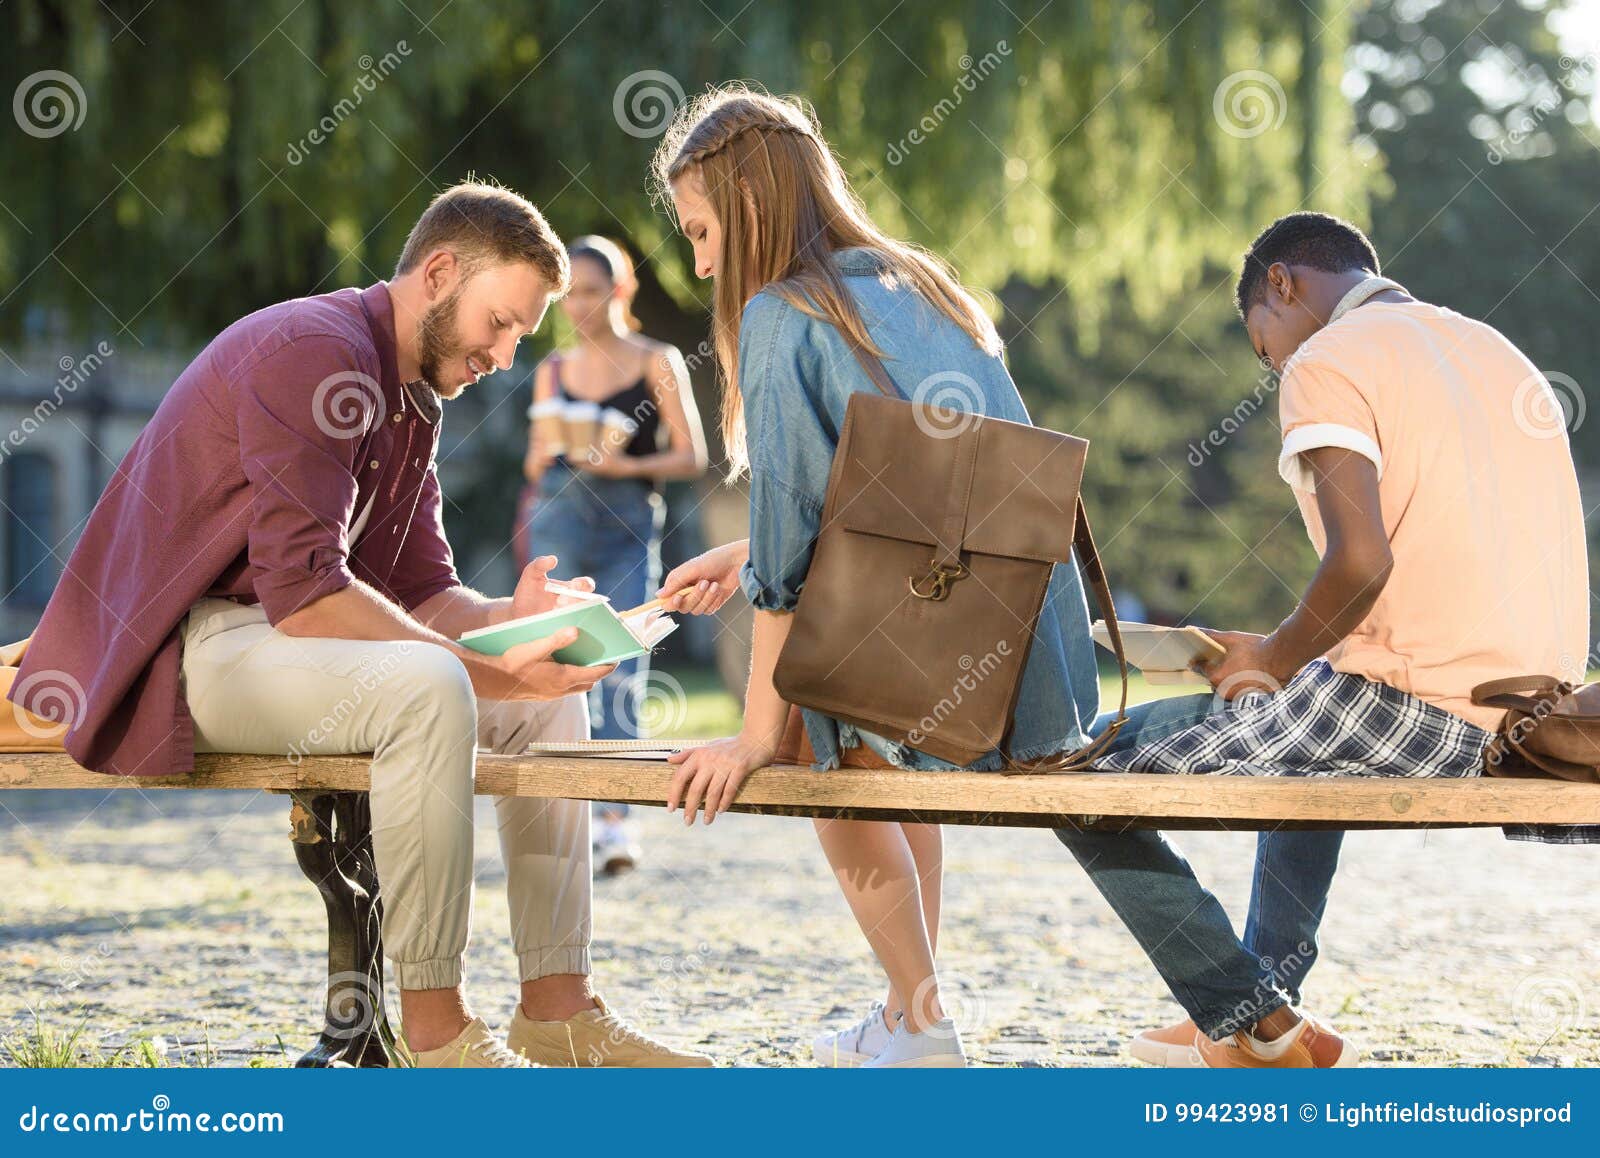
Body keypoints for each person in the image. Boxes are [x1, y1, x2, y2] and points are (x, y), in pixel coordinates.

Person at [10, 181, 711, 1070]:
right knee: (432, 686)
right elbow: (307, 592)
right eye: (499, 323)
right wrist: (490, 669)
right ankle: (439, 1035)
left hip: (286, 642)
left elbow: (423, 591)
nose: (505, 356)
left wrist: (517, 622)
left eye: (520, 337)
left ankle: (557, 1009)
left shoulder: (412, 395)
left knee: (546, 697)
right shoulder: (318, 351)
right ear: (440, 273)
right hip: (191, 648)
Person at [1059, 211, 1591, 1067]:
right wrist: (1278, 655)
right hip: (1535, 714)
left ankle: (1250, 1018)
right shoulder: (1495, 351)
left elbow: (1362, 562)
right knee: (1303, 718)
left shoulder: (1330, 357)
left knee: (1074, 775)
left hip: (1418, 707)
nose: (1273, 367)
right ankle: (1256, 1014)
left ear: (1282, 284)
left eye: (1261, 346)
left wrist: (1274, 657)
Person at [648, 84, 1103, 1068]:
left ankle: (924, 1025)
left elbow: (795, 559)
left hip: (944, 654)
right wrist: (745, 554)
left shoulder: (781, 313)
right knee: (865, 759)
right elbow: (904, 498)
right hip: (1020, 645)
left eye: (701, 232)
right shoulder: (918, 283)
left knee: (818, 755)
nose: (702, 264)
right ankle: (908, 1016)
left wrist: (754, 735)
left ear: (749, 203)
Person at [519, 235, 708, 741]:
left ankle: (616, 788)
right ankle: (562, 780)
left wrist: (623, 465)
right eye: (571, 294)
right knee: (558, 654)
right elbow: (534, 465)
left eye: (592, 291)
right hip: (559, 519)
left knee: (622, 655)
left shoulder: (657, 360)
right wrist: (545, 452)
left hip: (627, 521)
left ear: (620, 289)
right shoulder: (553, 369)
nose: (579, 305)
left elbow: (693, 456)